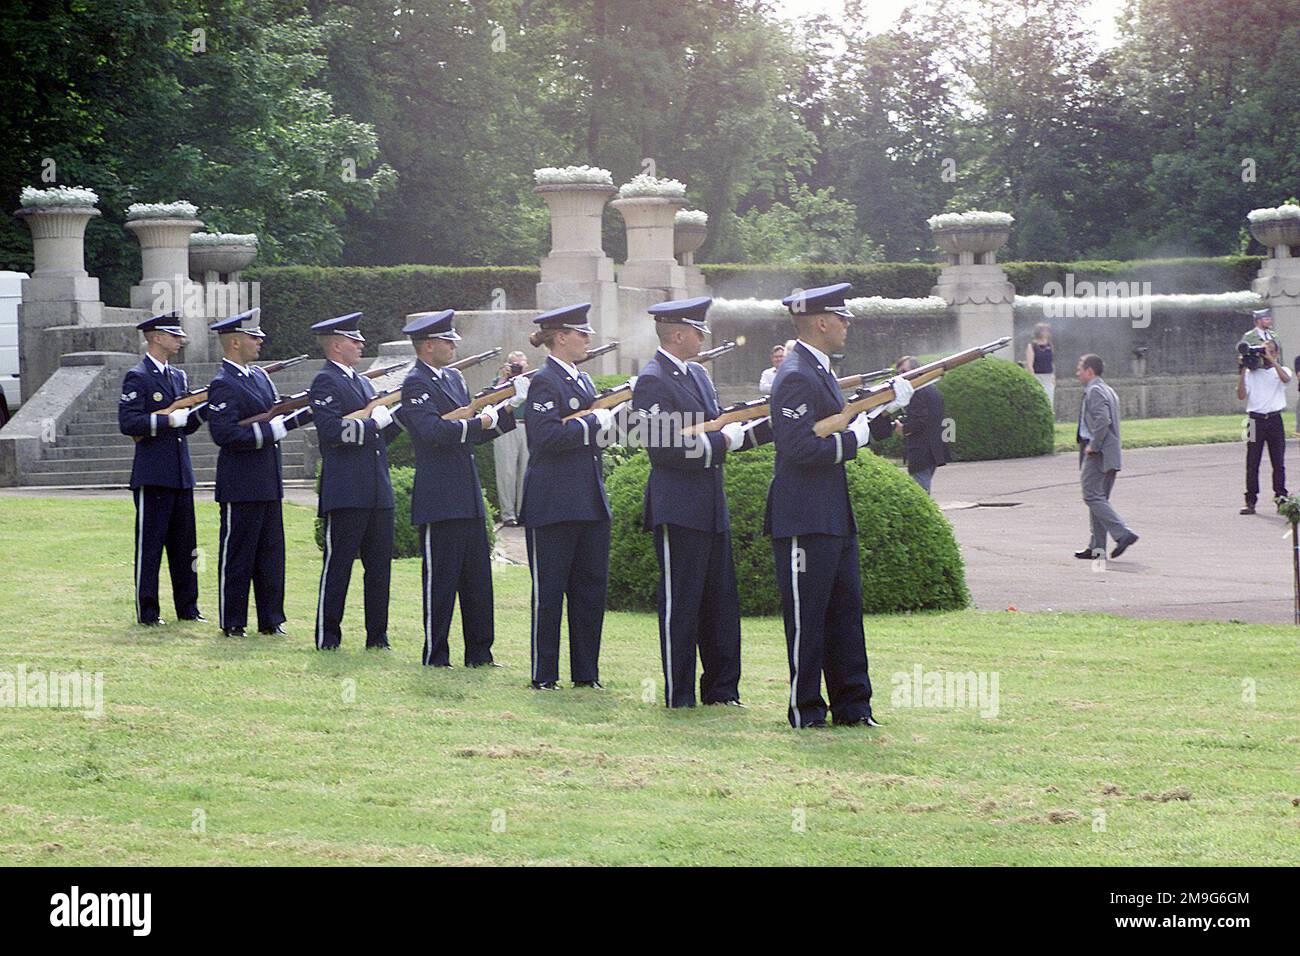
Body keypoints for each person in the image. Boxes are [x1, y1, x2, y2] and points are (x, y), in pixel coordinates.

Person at [766, 283, 913, 728]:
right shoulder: (795, 374)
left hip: (831, 511)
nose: (847, 324)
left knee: (845, 614)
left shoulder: (820, 371)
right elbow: (798, 448)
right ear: (821, 322)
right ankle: (805, 708)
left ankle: (853, 706)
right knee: (808, 617)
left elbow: (837, 428)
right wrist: (860, 434)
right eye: (841, 317)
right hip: (803, 515)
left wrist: (882, 418)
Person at [632, 296, 768, 708]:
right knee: (682, 603)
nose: (703, 338)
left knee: (720, 603)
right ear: (677, 334)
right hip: (679, 505)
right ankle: (680, 692)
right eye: (698, 331)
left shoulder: (697, 377)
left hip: (710, 504)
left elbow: (717, 428)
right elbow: (663, 447)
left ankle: (722, 690)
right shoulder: (653, 380)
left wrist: (759, 428)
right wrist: (721, 441)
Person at [397, 310, 525, 667]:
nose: (453, 345)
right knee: (441, 581)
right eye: (446, 340)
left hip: (467, 494)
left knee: (477, 580)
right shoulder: (416, 383)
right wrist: (477, 420)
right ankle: (436, 654)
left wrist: (504, 412)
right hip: (439, 495)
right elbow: (432, 432)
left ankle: (480, 653)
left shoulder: (453, 379)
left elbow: (474, 433)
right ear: (427, 346)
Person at [518, 303, 614, 690]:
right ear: (561, 338)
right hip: (554, 501)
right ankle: (544, 675)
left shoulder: (582, 381)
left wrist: (611, 418)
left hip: (588, 497)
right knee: (549, 592)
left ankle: (586, 673)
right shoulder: (545, 381)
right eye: (581, 333)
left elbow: (592, 439)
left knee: (589, 590)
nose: (587, 338)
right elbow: (545, 436)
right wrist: (593, 420)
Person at [206, 309, 308, 636]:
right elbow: (224, 434)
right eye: (254, 336)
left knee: (271, 554)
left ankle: (271, 619)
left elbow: (275, 417)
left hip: (268, 480)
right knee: (238, 555)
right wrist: (269, 432)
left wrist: (304, 413)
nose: (260, 341)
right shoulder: (223, 383)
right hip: (241, 483)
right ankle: (233, 620)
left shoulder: (260, 376)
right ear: (235, 342)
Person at [309, 312, 403, 650]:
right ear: (336, 345)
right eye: (354, 339)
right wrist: (372, 424)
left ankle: (377, 636)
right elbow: (332, 431)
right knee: (339, 568)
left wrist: (395, 418)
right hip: (347, 490)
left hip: (376, 489)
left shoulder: (362, 382)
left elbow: (378, 438)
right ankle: (328, 636)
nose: (361, 344)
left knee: (379, 571)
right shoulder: (325, 381)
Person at [117, 312, 208, 626]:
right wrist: (167, 419)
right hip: (153, 474)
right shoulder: (138, 376)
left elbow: (186, 427)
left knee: (186, 548)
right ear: (155, 336)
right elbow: (128, 423)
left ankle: (189, 608)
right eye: (173, 335)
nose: (180, 340)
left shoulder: (178, 377)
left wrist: (199, 413)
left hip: (180, 473)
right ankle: (148, 612)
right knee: (150, 546)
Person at [1074, 354, 1138, 559]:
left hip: (1098, 452)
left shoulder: (1094, 391)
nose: (1077, 373)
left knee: (1091, 495)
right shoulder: (1107, 389)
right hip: (1109, 453)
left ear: (1089, 371)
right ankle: (1097, 547)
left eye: (1080, 369)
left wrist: (1094, 445)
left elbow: (1103, 420)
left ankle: (1122, 533)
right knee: (1099, 499)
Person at [878, 355, 949, 494]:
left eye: (904, 372)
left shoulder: (917, 391)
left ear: (916, 371)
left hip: (921, 450)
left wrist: (903, 429)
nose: (900, 376)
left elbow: (920, 420)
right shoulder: (932, 390)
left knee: (920, 492)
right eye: (898, 373)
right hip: (933, 450)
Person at [1237, 337, 1291, 514]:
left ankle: (1281, 497)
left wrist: (1272, 360)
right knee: (1252, 461)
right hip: (1253, 420)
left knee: (1278, 461)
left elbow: (1285, 379)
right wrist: (1243, 368)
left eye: (1268, 350)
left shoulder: (1281, 370)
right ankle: (1250, 500)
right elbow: (1241, 395)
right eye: (1262, 350)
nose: (1263, 353)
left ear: (1276, 353)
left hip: (1275, 420)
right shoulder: (1252, 374)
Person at [491, 350, 531, 526]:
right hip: (506, 427)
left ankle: (524, 512)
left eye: (520, 365)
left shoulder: (532, 380)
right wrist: (504, 380)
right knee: (506, 472)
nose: (517, 368)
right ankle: (508, 515)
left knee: (526, 471)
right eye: (514, 364)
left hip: (527, 426)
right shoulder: (500, 382)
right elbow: (491, 403)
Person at [1026, 322, 1055, 412]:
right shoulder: (1032, 346)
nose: (1046, 333)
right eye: (1044, 331)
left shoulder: (1049, 345)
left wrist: (1053, 375)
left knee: (1049, 400)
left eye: (1047, 331)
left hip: (1048, 376)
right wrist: (1033, 378)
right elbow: (1030, 364)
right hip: (1038, 376)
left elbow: (1052, 361)